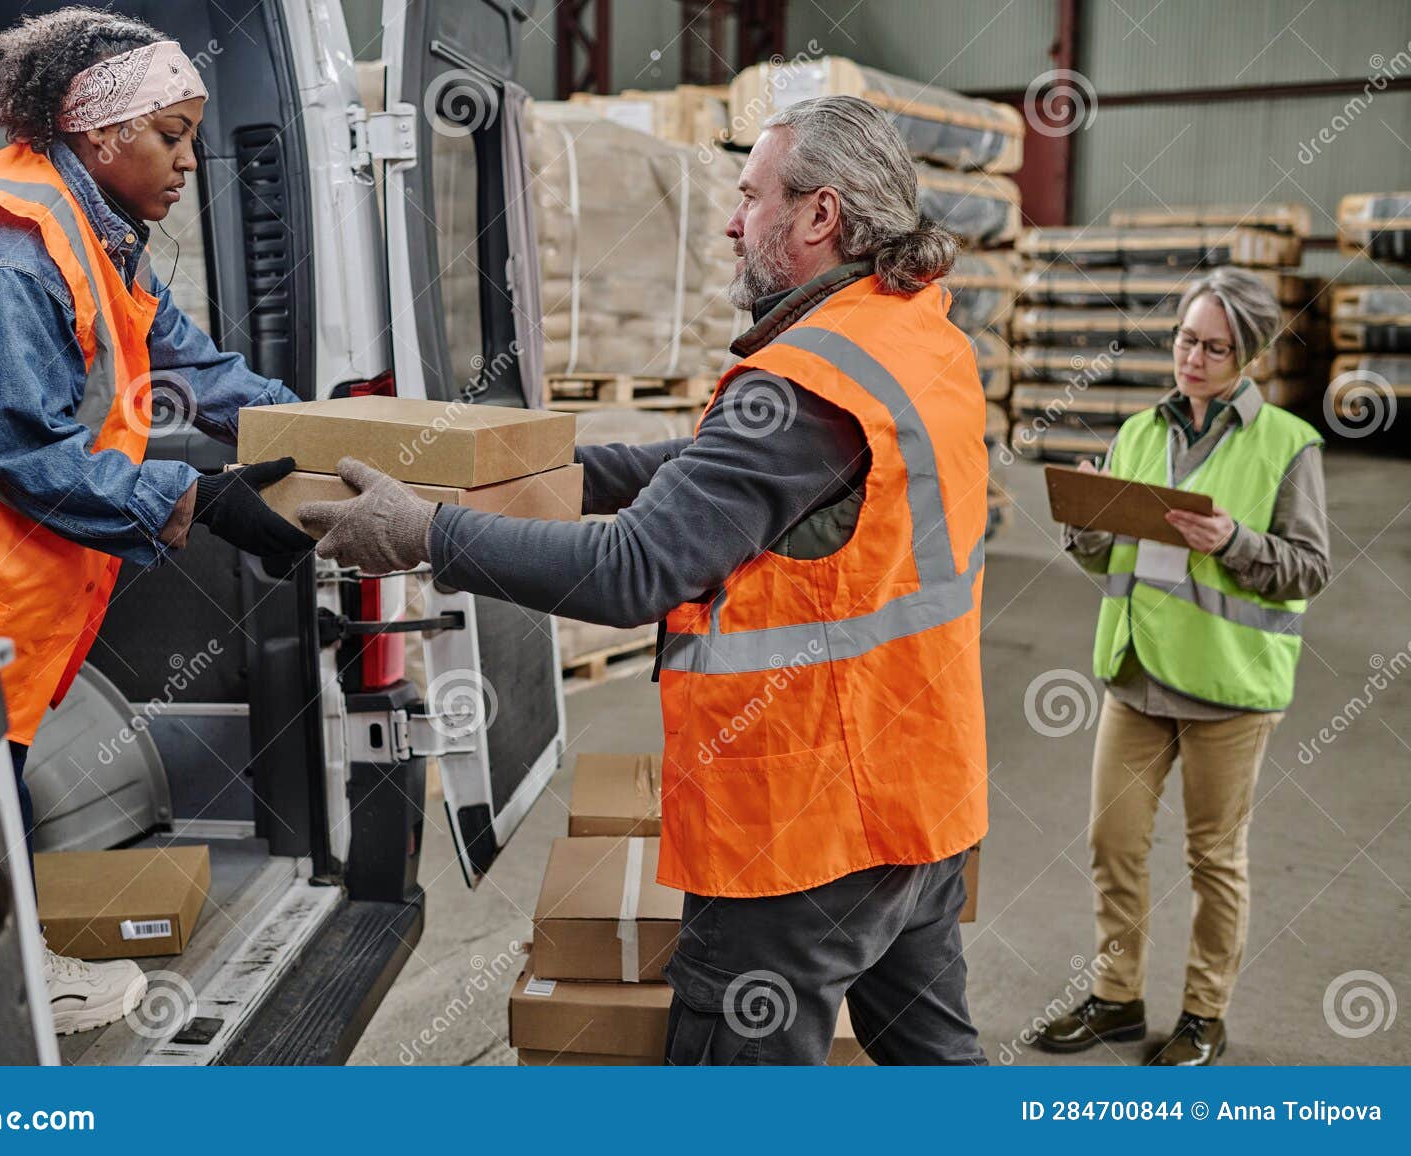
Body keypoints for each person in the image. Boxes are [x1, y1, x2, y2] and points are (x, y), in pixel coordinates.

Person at [300, 96, 990, 1064]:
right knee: (937, 1065)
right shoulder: (911, 337)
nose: (729, 220)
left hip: (802, 834)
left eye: (750, 198)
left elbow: (631, 570)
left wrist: (424, 534)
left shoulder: (803, 385)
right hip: (917, 800)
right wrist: (546, 470)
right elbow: (712, 464)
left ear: (819, 216)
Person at [0, 7, 314, 1034]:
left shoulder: (101, 231)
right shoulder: (3, 234)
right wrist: (200, 498)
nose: (188, 161)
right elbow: (31, 448)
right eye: (170, 136)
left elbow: (194, 365)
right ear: (100, 134)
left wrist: (322, 431)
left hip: (32, 578)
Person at [1034, 267, 1330, 1065]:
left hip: (1228, 690)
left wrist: (1236, 542)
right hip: (1135, 672)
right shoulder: (1138, 432)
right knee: (1114, 842)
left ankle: (1204, 1014)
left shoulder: (1287, 446)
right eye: (1185, 340)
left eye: (1215, 347)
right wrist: (1087, 523)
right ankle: (1116, 997)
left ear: (1252, 357)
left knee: (1213, 859)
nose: (1192, 359)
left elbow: (1308, 568)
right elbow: (1111, 565)